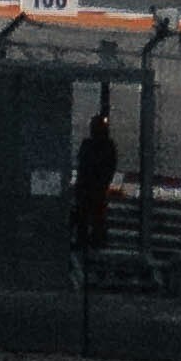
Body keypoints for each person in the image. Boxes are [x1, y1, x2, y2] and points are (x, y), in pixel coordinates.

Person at [71, 99, 119, 256]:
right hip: (95, 189)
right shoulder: (107, 146)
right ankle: (94, 242)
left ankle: (86, 241)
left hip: (89, 189)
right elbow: (109, 167)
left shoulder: (89, 145)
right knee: (94, 217)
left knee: (86, 217)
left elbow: (83, 165)